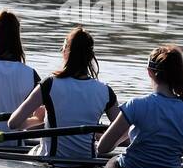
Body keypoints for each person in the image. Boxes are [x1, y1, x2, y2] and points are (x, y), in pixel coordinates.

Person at [96, 44, 183, 168]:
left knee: (113, 160)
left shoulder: (136, 105)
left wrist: (123, 136)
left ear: (149, 72)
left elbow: (103, 148)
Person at [8, 27, 119, 160]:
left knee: (34, 150)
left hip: (52, 162)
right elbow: (124, 132)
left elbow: (13, 123)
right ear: (90, 57)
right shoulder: (106, 91)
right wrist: (104, 137)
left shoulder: (49, 84)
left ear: (66, 51)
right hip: (88, 163)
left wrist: (38, 119)